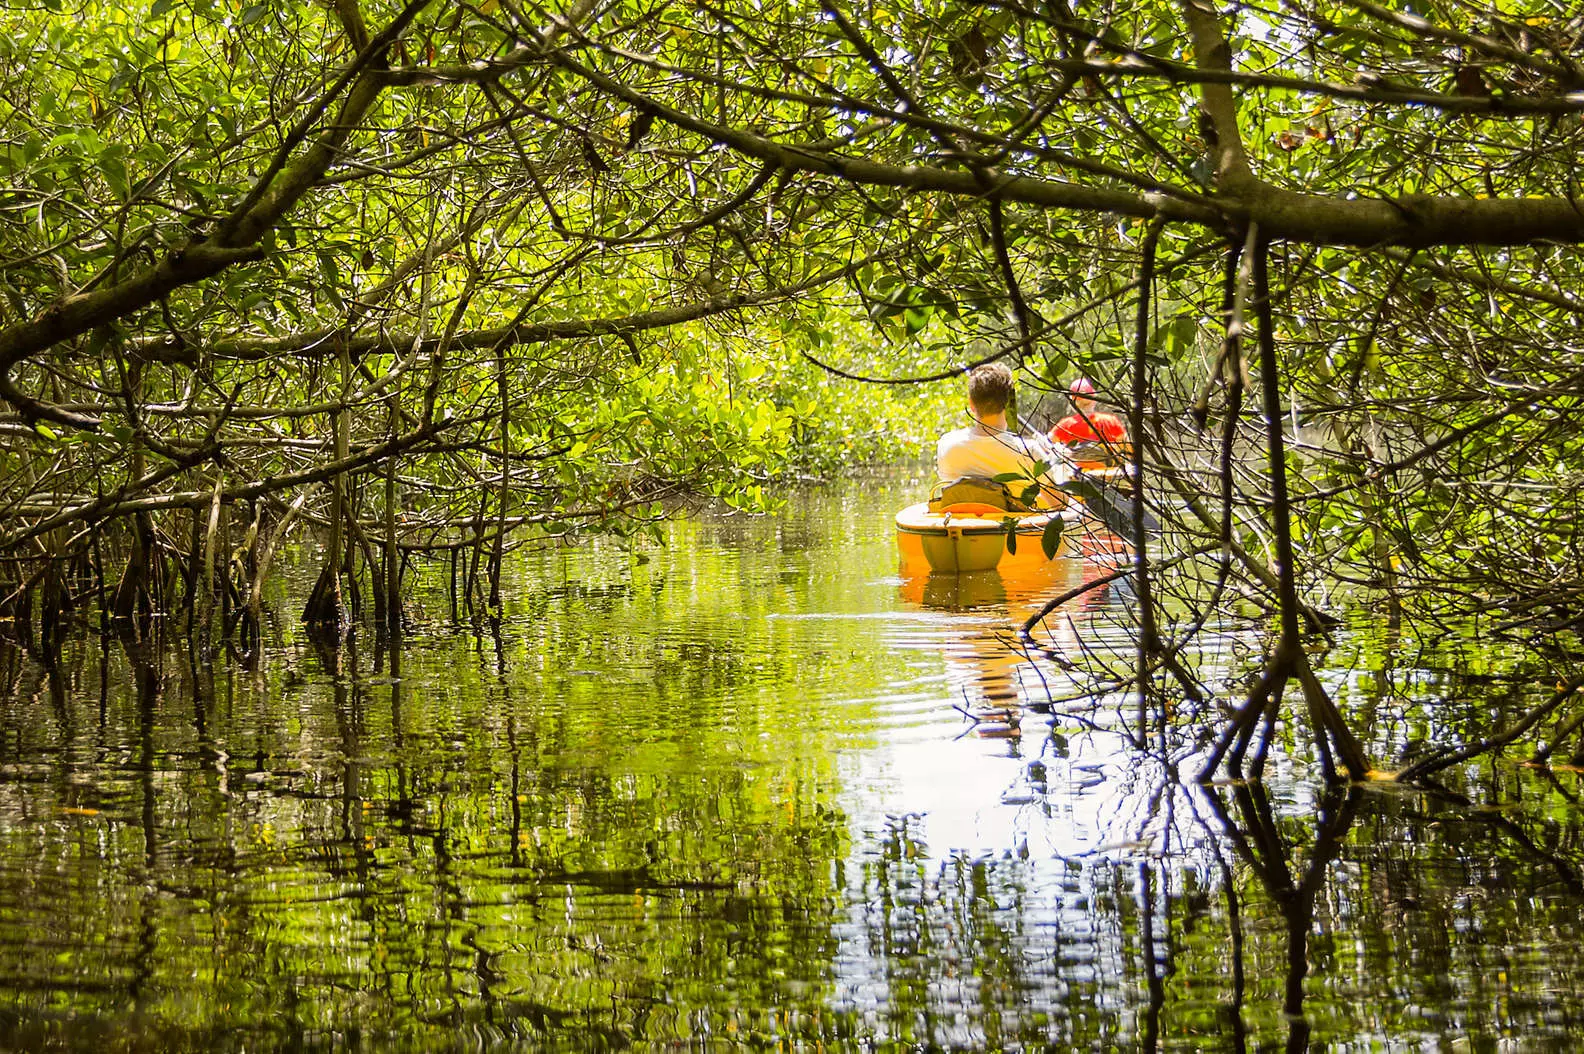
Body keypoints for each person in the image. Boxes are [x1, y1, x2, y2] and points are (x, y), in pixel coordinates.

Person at [936, 362, 1071, 506]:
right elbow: (1060, 503)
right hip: (1010, 527)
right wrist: (1058, 464)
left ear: (971, 404)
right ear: (1010, 403)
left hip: (963, 526)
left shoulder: (947, 443)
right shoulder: (1029, 451)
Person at [1049, 378, 1128, 466]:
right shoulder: (1110, 421)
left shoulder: (1065, 425)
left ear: (1073, 402)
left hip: (1078, 475)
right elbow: (1127, 447)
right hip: (1111, 474)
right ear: (1093, 399)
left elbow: (1048, 443)